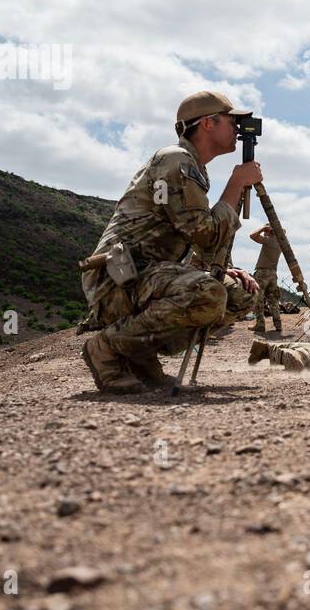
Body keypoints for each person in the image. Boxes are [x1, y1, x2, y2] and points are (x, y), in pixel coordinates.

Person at [79, 91, 262, 392]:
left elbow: (196, 240)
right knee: (207, 292)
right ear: (207, 124)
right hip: (117, 280)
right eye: (232, 121)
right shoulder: (175, 160)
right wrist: (237, 183)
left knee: (239, 293)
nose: (239, 130)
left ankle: (140, 354)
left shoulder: (194, 168)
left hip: (147, 276)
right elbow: (203, 232)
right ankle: (107, 347)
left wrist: (224, 267)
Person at [250, 224, 283, 335]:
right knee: (273, 300)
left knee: (258, 299)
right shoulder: (279, 244)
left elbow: (252, 236)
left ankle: (260, 325)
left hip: (262, 273)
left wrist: (263, 228)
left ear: (270, 232)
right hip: (273, 274)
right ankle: (278, 324)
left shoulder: (269, 241)